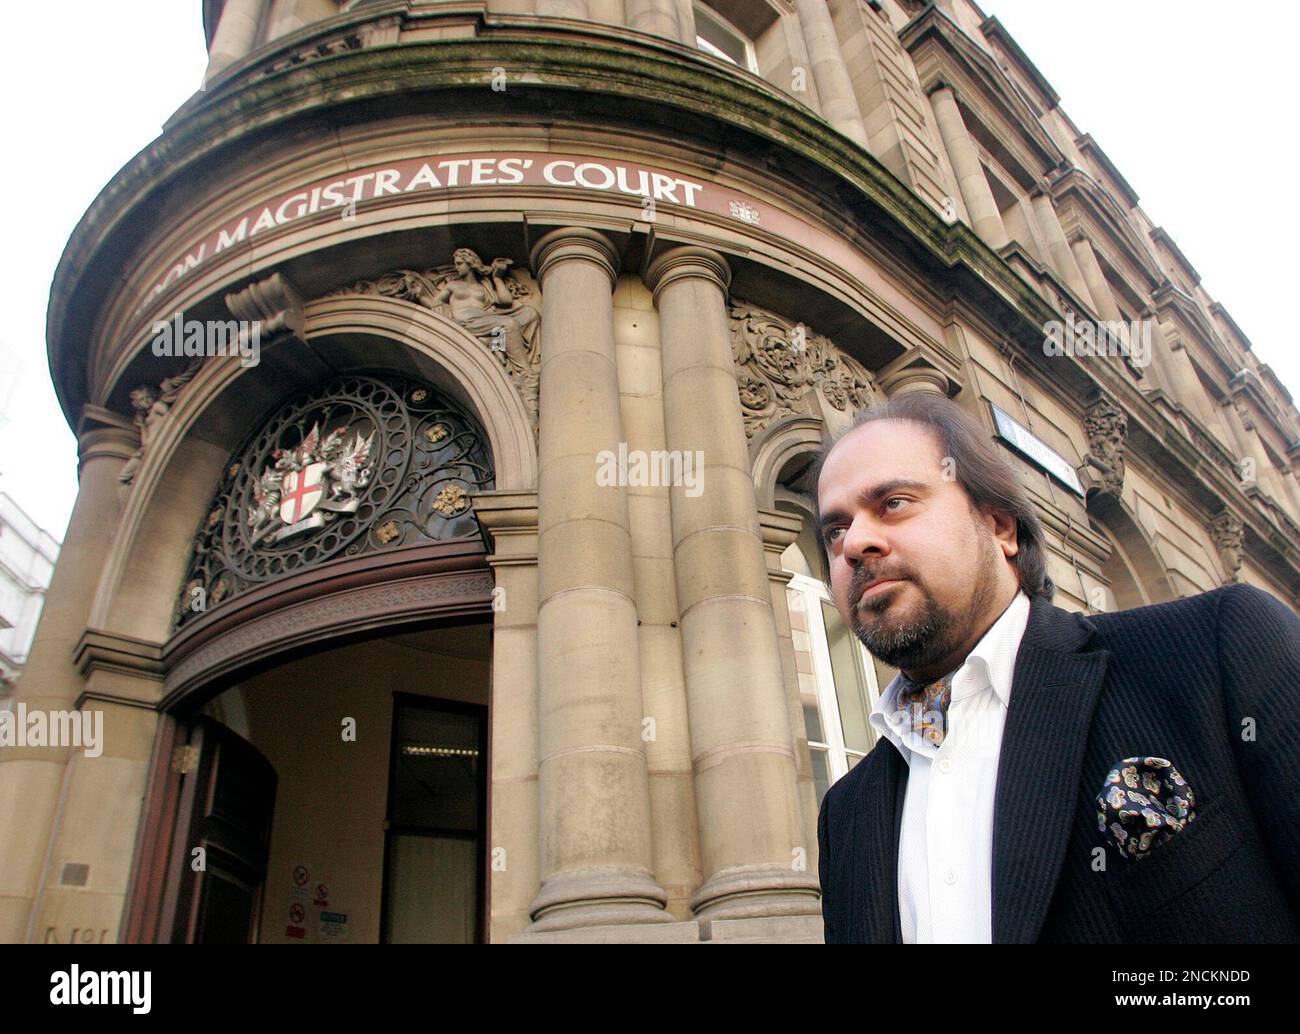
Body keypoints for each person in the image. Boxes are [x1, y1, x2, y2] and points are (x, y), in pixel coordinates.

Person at [812, 392, 1300, 943]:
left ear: (1000, 527)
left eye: (894, 503)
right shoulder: (845, 816)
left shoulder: (1216, 652)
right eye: (834, 531)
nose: (854, 543)